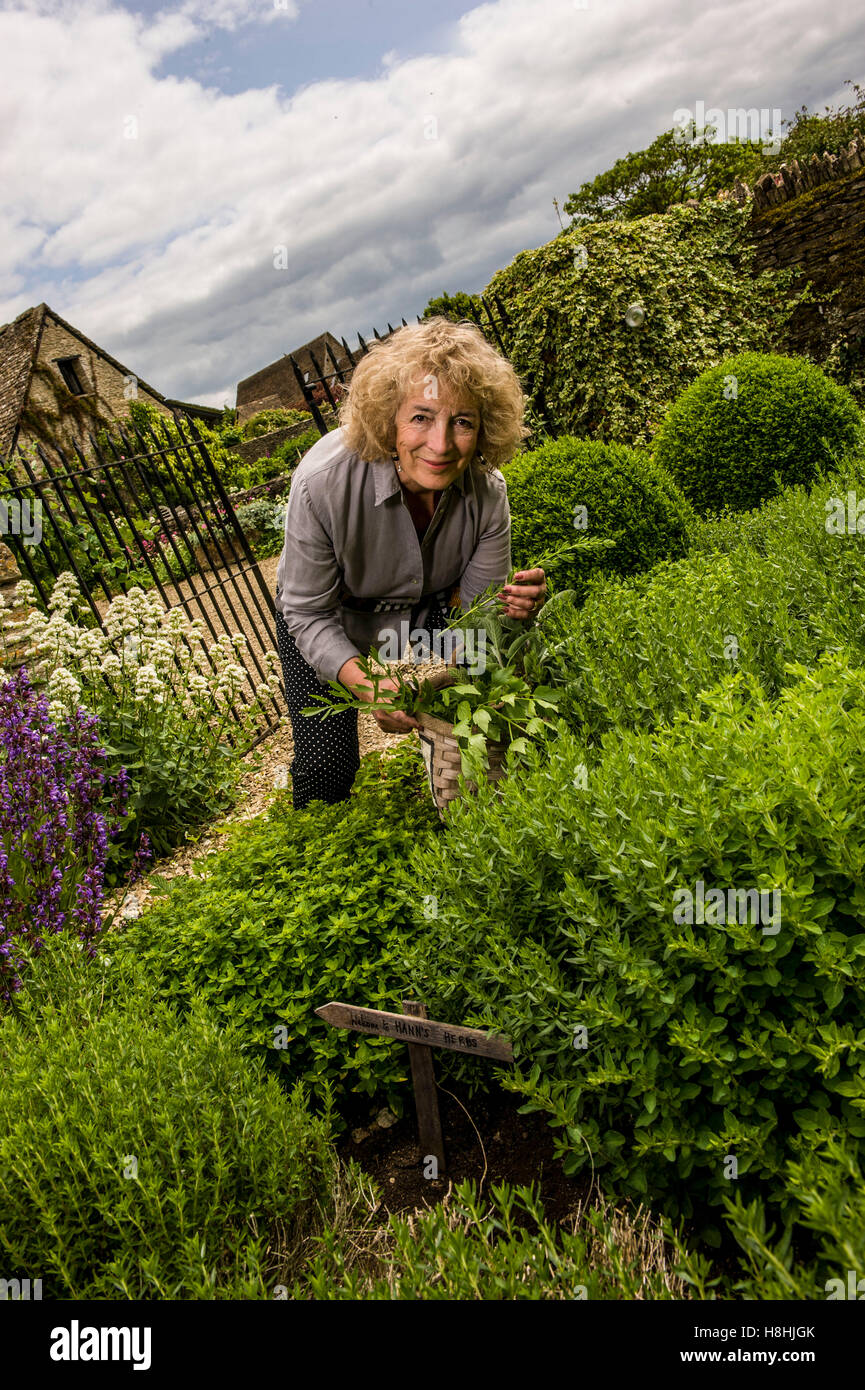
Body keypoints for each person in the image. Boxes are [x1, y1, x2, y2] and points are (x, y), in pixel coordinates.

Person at [273, 316, 547, 809]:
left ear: (484, 428)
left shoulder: (488, 495)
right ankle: (313, 838)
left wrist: (514, 611)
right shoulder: (322, 484)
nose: (440, 445)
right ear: (388, 418)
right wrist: (373, 687)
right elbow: (307, 614)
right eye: (420, 417)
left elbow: (475, 620)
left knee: (471, 700)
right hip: (325, 617)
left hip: (426, 612)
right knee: (328, 761)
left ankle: (473, 810)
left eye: (462, 421)